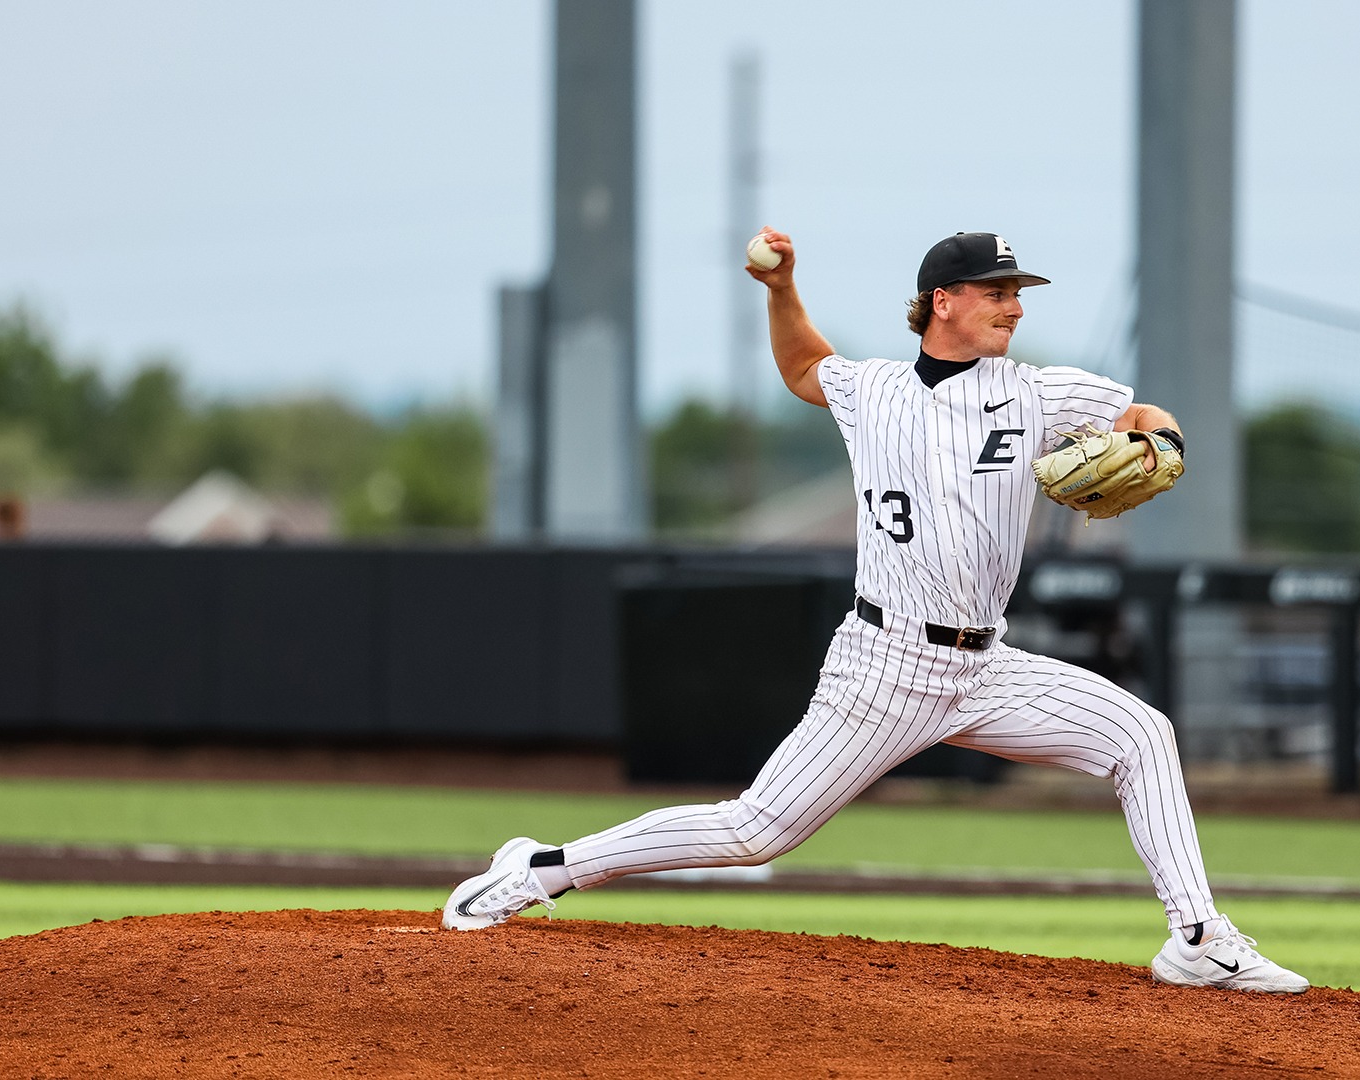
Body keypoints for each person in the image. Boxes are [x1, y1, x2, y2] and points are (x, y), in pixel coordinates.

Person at [442, 229, 1309, 994]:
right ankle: (542, 868)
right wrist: (782, 290)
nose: (1014, 306)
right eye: (998, 291)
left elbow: (1140, 412)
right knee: (754, 832)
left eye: (1018, 292)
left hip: (987, 667)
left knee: (1141, 735)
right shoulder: (874, 390)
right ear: (944, 301)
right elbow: (800, 366)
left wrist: (1162, 440)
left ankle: (1198, 940)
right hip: (885, 667)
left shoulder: (1039, 392)